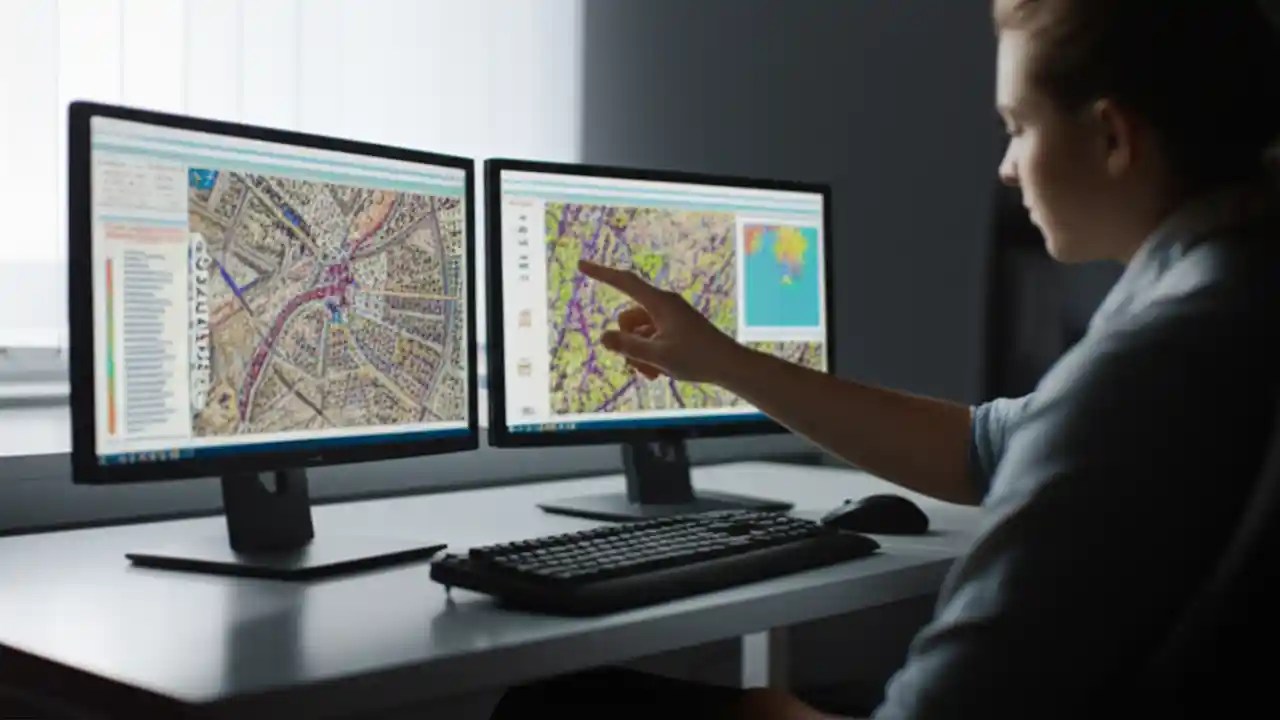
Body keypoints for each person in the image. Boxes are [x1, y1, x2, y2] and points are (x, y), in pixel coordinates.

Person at [490, 1, 1280, 718]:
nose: (1006, 166)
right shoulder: (1238, 295)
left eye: (1019, 125)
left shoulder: (1144, 370)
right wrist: (724, 361)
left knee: (553, 706)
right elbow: (981, 449)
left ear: (1113, 138)